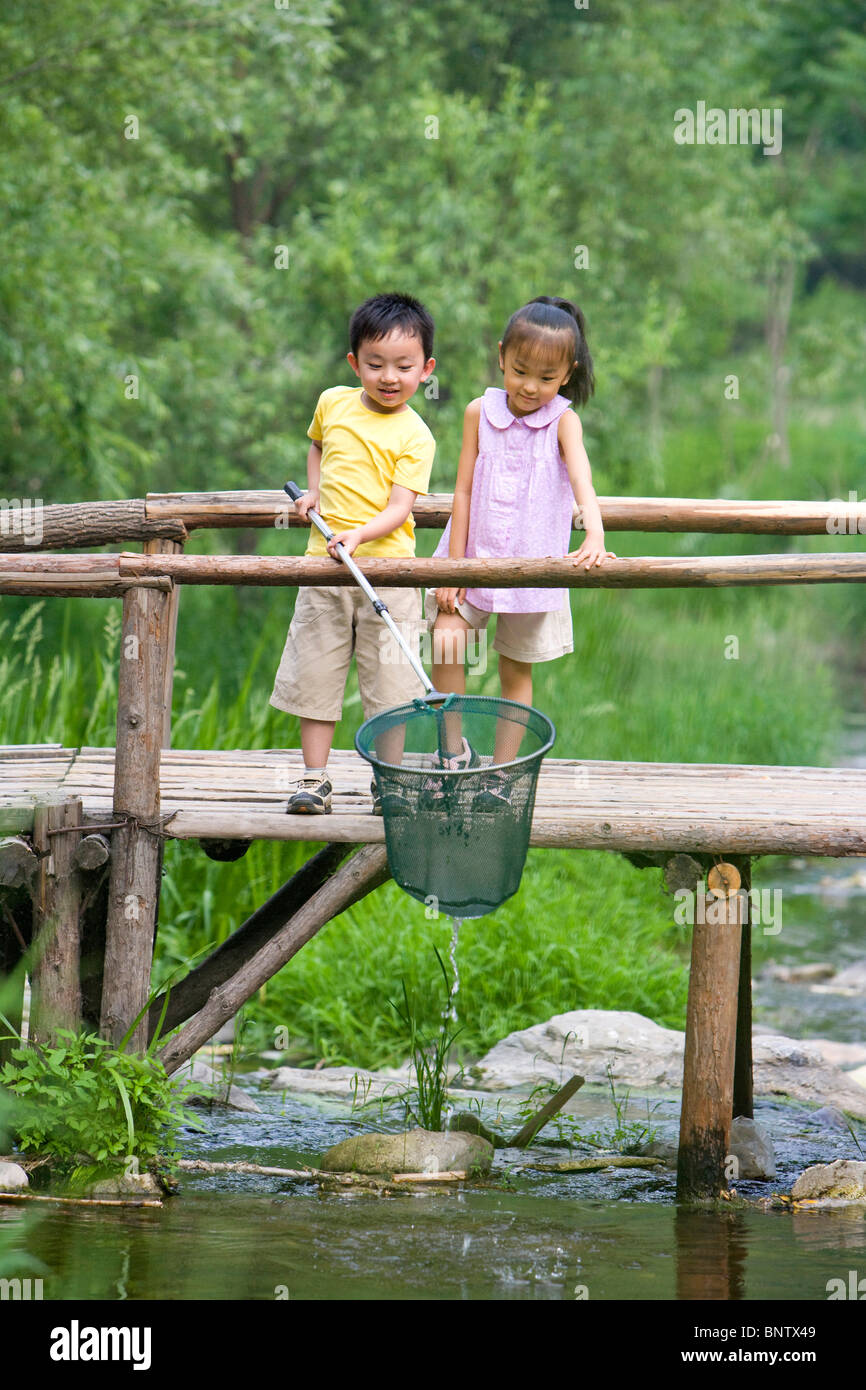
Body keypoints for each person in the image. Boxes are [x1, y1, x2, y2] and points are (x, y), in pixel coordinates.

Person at [425, 295, 615, 807]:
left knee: (516, 670)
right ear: (502, 355)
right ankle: (454, 753)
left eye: (546, 377)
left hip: (533, 567)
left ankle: (502, 775)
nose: (531, 386)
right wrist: (454, 567)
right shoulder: (477, 412)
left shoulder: (562, 421)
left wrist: (594, 536)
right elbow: (462, 491)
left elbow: (583, 483)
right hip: (472, 556)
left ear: (567, 374)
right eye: (521, 371)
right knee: (446, 639)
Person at [270, 291, 436, 814]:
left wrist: (360, 536)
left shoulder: (417, 434)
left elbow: (399, 508)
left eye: (404, 366)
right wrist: (313, 492)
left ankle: (388, 780)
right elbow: (317, 446)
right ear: (354, 363)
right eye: (376, 364)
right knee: (315, 673)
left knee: (391, 683)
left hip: (388, 571)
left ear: (425, 369)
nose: (390, 377)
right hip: (324, 565)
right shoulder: (332, 402)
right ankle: (314, 779)